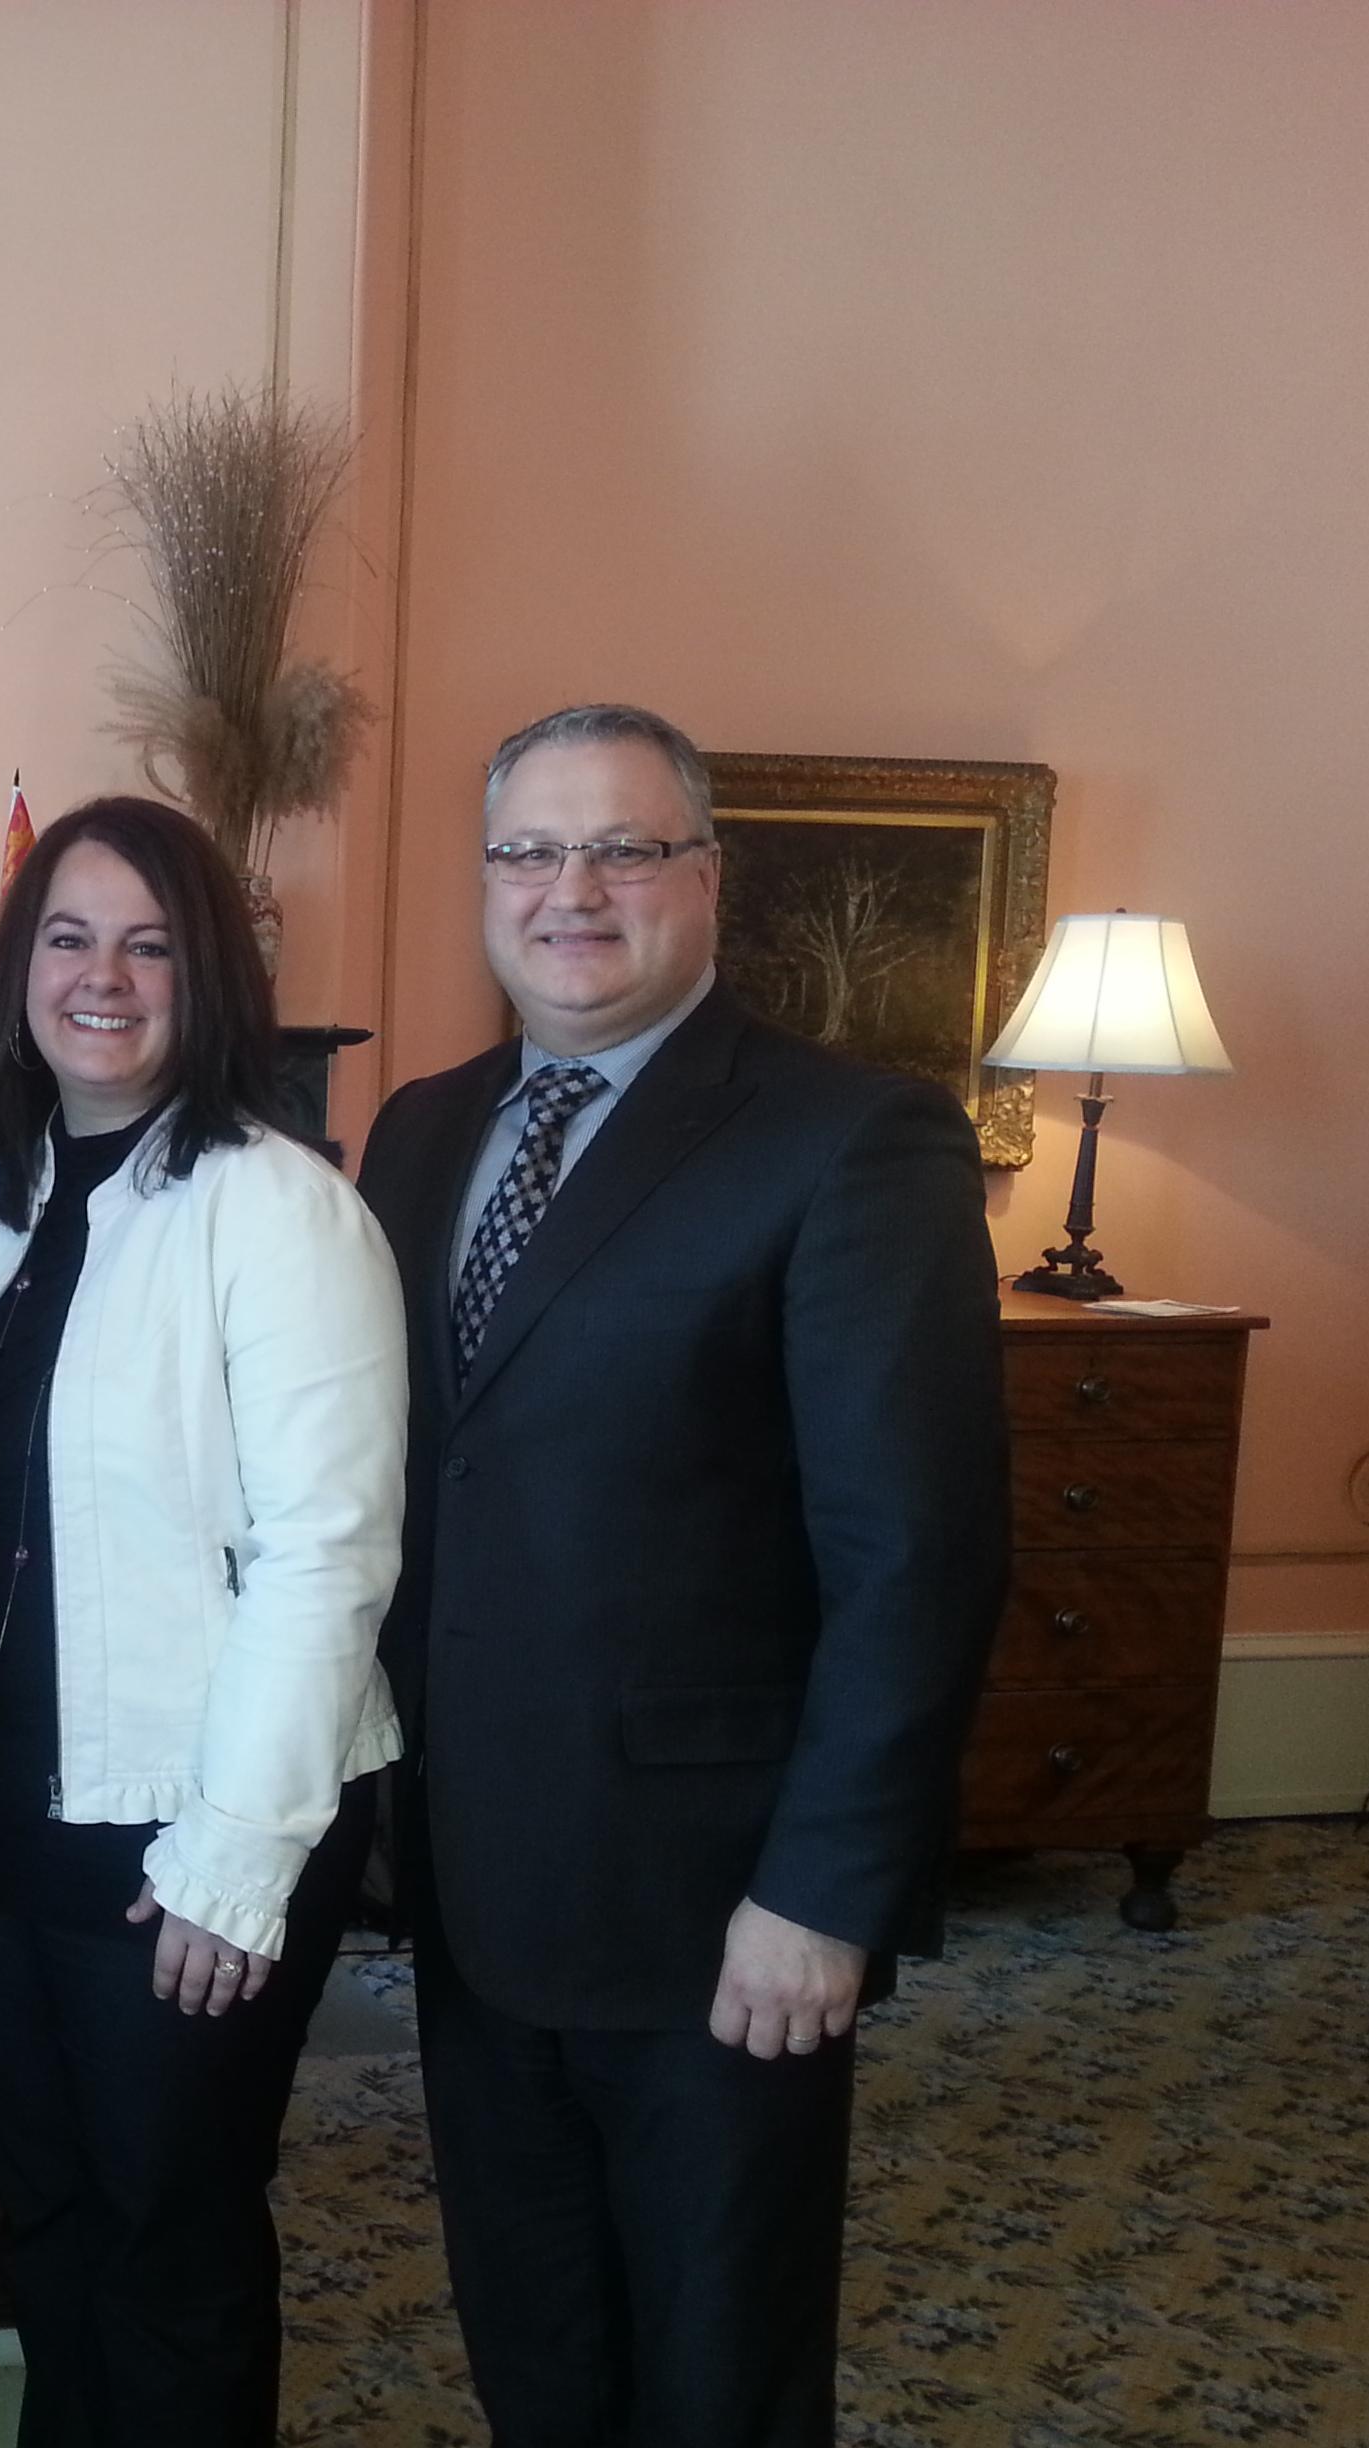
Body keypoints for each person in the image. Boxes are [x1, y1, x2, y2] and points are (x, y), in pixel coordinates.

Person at [355, 704, 1009, 2447]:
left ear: (707, 878)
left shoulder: (855, 1141)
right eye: (529, 852)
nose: (572, 890)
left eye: (624, 849)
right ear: (485, 886)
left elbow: (915, 1555)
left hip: (721, 1913)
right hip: (477, 1878)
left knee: (719, 2373)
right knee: (536, 2338)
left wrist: (827, 1894)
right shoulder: (421, 1133)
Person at [0, 796, 408, 2445]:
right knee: (53, 2217)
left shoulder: (283, 1209)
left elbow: (328, 1557)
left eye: (151, 945)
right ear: (16, 977)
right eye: (69, 938)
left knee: (171, 2237)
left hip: (183, 1828)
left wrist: (236, 1856)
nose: (105, 978)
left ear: (208, 982)